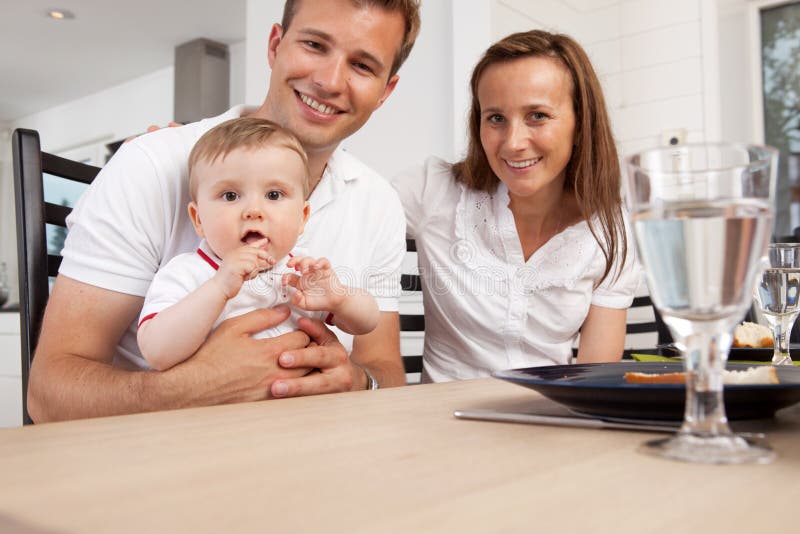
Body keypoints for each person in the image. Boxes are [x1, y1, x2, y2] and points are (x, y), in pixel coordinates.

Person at [27, 0, 421, 421]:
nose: (329, 80)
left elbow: (383, 369)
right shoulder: (152, 166)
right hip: (157, 458)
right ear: (275, 45)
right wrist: (193, 388)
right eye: (314, 44)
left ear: (386, 90)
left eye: (362, 66)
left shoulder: (378, 203)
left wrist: (359, 382)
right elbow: (48, 395)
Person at [391, 30, 641, 382]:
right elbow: (339, 209)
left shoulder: (611, 231)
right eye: (495, 118)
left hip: (548, 424)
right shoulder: (434, 190)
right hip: (441, 425)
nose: (513, 142)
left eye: (537, 115)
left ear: (581, 122)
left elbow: (595, 379)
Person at [137, 118, 379, 371]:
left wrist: (340, 299)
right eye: (230, 195)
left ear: (302, 217)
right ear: (199, 219)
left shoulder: (302, 272)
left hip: (305, 406)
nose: (253, 211)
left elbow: (367, 322)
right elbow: (156, 352)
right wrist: (219, 288)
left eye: (274, 195)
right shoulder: (188, 274)